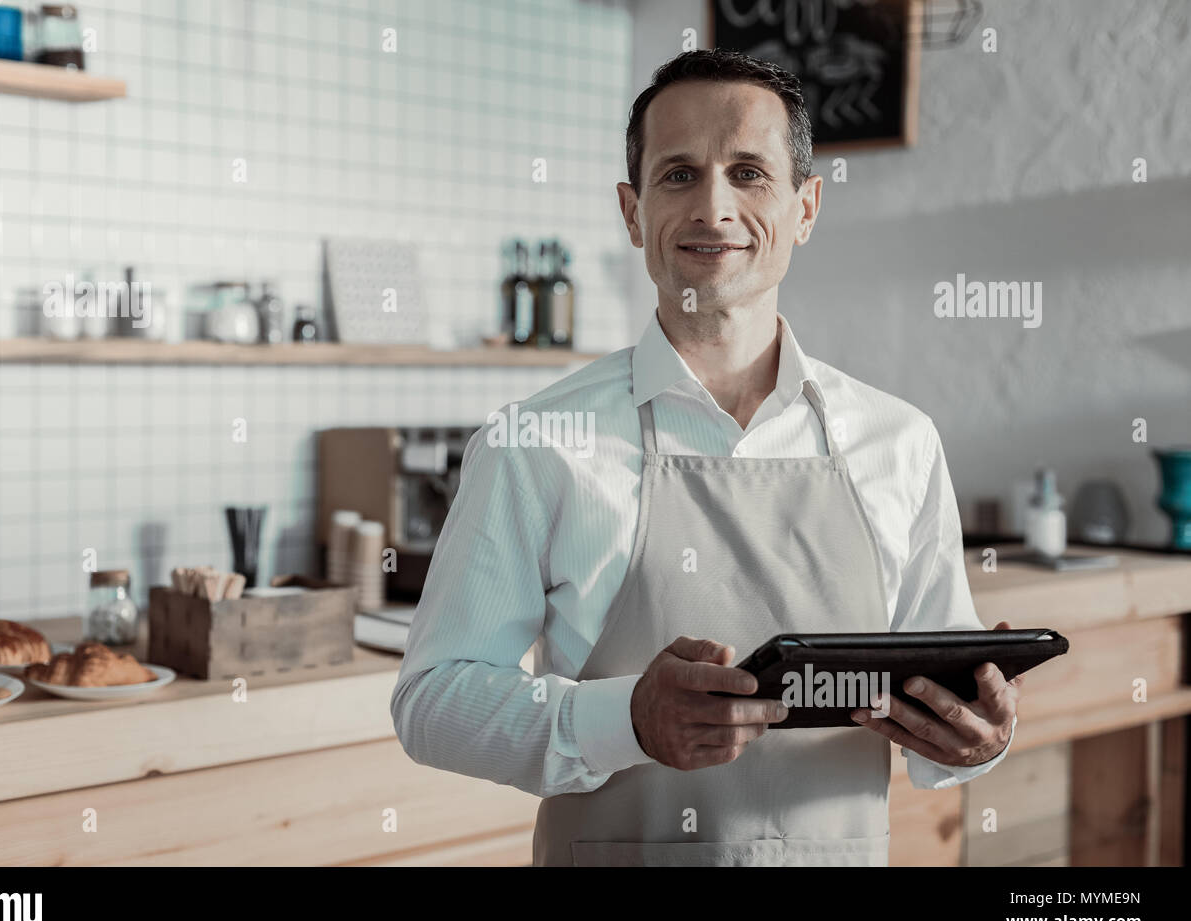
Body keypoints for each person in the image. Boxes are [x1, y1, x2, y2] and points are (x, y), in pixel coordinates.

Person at [391, 49, 1020, 867]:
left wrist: (979, 741)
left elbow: (944, 705)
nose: (713, 207)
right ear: (632, 210)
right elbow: (432, 703)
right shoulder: (535, 442)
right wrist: (627, 722)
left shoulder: (898, 442)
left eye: (749, 173)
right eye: (679, 174)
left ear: (806, 208)